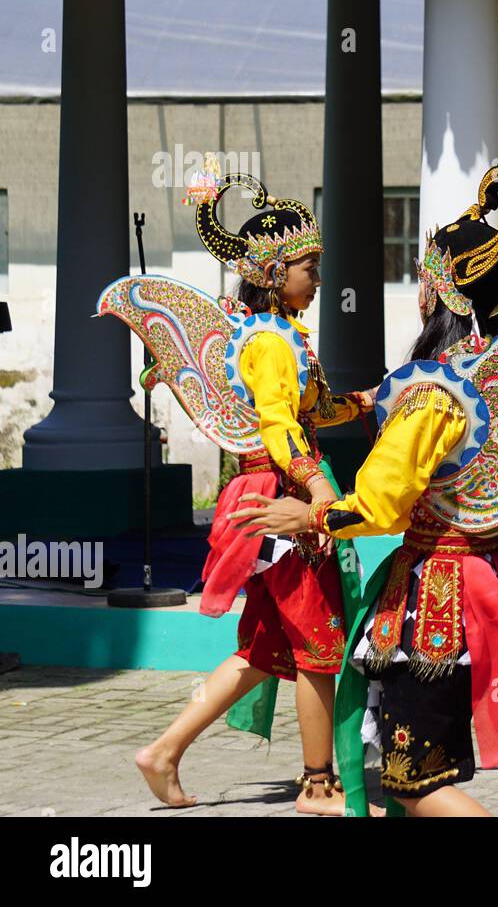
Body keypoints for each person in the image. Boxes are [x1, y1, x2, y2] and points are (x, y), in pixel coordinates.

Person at [232, 132, 498, 817]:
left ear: (439, 292)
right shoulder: (490, 379)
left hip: (435, 603)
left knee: (417, 783)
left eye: (425, 276)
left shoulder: (433, 393)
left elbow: (384, 503)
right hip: (479, 581)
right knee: (412, 777)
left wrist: (314, 512)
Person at [134, 175, 376, 814]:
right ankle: (318, 787)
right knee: (319, 646)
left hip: (274, 491)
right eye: (309, 267)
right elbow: (280, 426)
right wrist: (324, 498)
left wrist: (364, 403)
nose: (318, 279)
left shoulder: (279, 332)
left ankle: (162, 753)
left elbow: (312, 407)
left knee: (266, 649)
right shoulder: (269, 341)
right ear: (272, 271)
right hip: (281, 499)